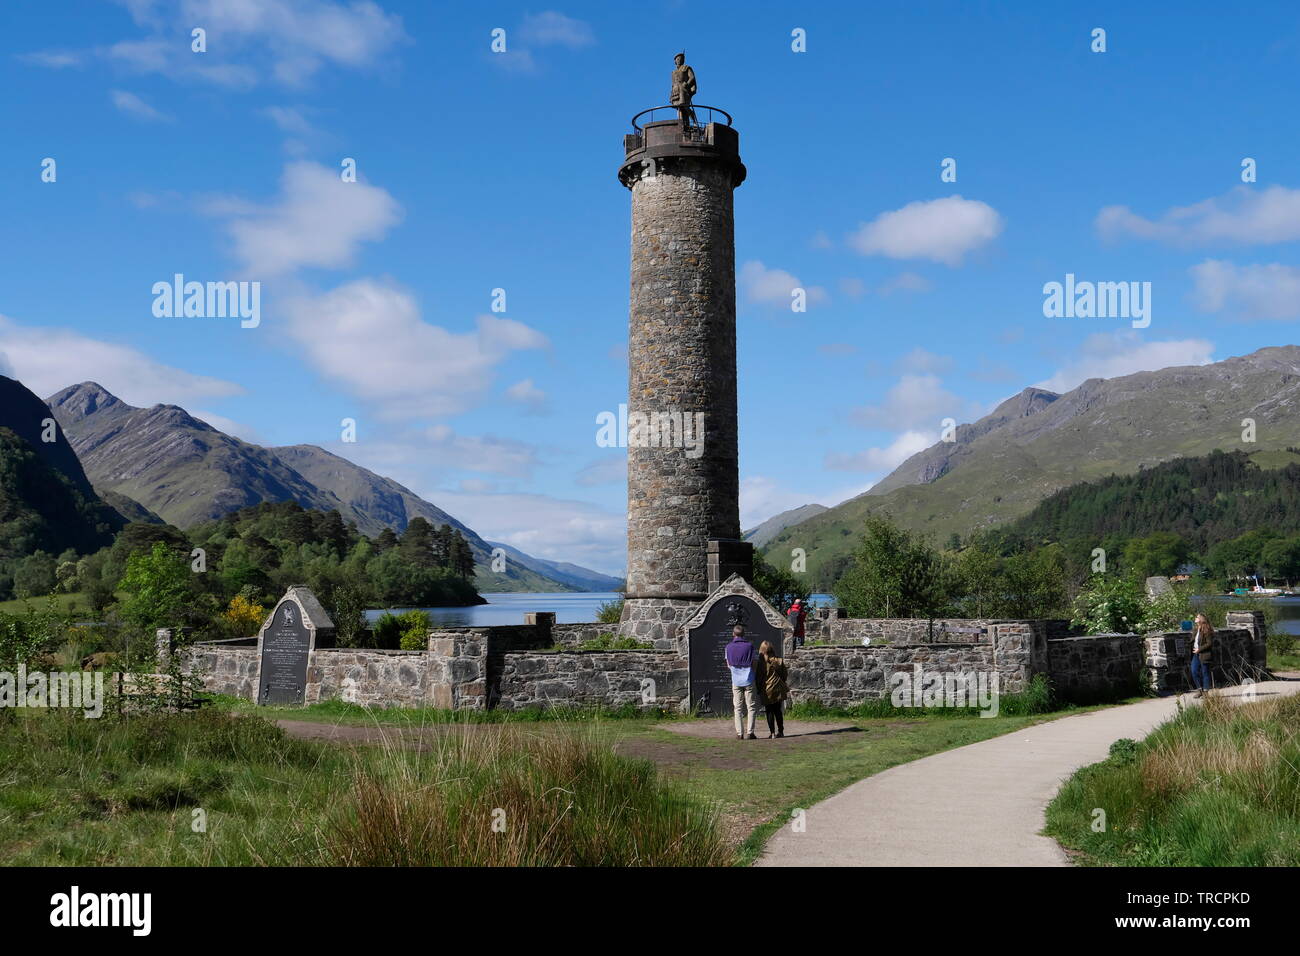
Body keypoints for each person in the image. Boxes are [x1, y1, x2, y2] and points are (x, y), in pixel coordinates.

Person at [725, 624, 758, 739]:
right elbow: (754, 662)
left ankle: (740, 734)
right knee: (751, 706)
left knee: (737, 708)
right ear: (743, 634)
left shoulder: (728, 647)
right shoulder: (750, 646)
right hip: (749, 679)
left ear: (733, 634)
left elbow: (728, 664)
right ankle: (750, 732)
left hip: (736, 680)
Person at [756, 640, 789, 738]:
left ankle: (772, 733)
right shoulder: (779, 660)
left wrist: (759, 688)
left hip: (766, 689)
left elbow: (758, 677)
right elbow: (784, 674)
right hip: (777, 688)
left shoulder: (761, 663)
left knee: (769, 711)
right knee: (778, 711)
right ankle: (781, 731)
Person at [1190, 613, 1214, 698]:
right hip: (1196, 654)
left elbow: (1209, 643)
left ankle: (1206, 692)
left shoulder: (1206, 629)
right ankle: (1199, 690)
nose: (1195, 618)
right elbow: (1193, 641)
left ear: (1201, 619)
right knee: (1194, 670)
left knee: (1205, 672)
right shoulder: (1196, 629)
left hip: (1204, 654)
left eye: (1197, 617)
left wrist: (1199, 649)